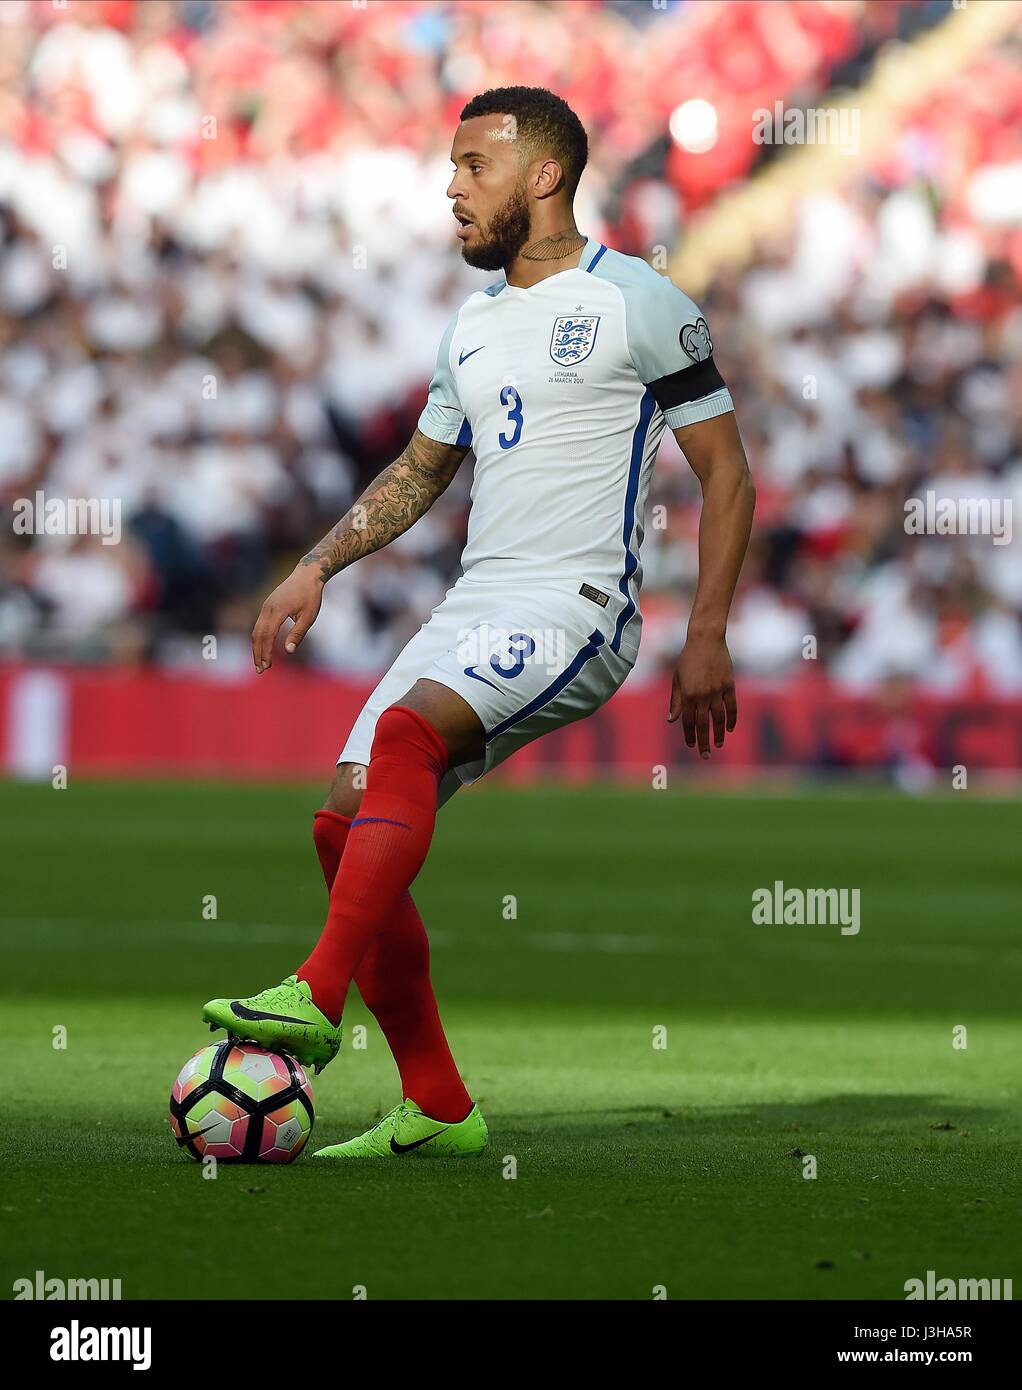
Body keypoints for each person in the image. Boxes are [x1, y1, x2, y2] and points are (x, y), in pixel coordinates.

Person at [202, 86, 755, 1160]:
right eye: (451, 169)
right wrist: (315, 563)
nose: (451, 190)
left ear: (541, 176)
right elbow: (420, 471)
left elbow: (726, 474)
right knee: (340, 817)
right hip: (475, 601)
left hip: (576, 607)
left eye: (472, 168)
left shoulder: (636, 301)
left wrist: (706, 631)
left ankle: (313, 997)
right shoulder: (473, 323)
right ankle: (440, 1106)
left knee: (406, 736)